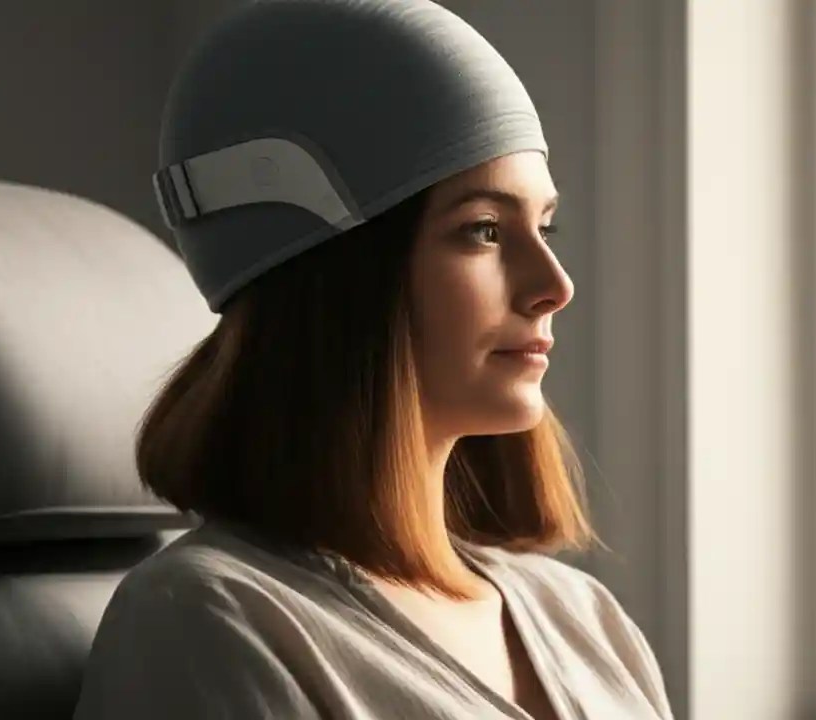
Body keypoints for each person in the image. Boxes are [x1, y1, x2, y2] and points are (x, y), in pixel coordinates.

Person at [72, 1, 674, 718]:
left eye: (544, 225)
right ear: (336, 276)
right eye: (482, 229)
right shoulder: (209, 622)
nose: (555, 286)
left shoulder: (584, 618)